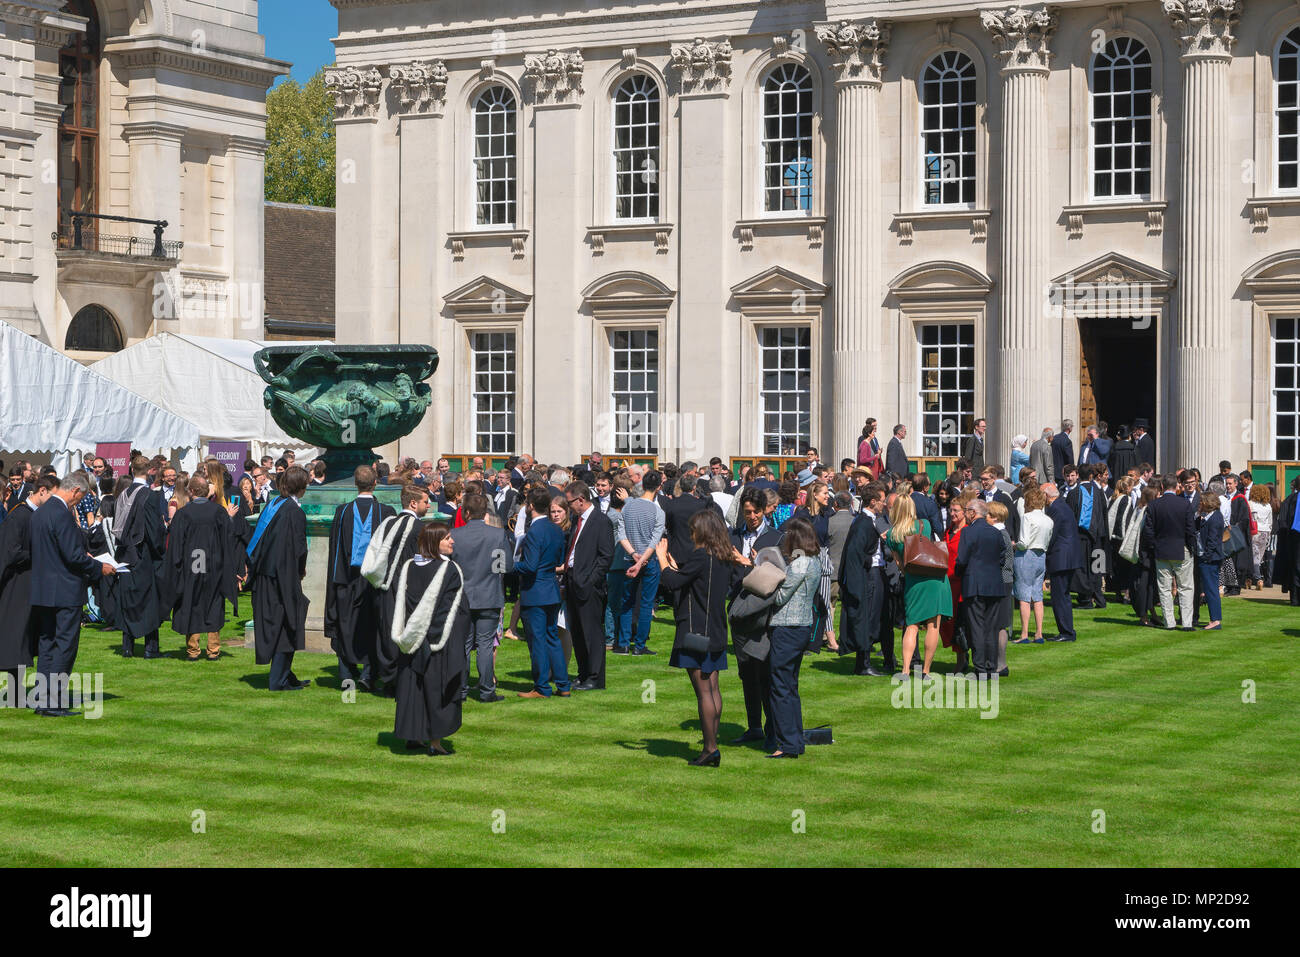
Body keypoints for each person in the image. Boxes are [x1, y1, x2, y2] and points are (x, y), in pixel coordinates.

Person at [29, 472, 116, 715]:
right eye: (79, 499)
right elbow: (73, 556)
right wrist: (100, 568)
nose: (77, 504)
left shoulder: (40, 513)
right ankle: (53, 702)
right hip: (64, 590)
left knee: (47, 644)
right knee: (65, 646)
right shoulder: (60, 513)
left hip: (44, 590)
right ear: (75, 491)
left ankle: (43, 700)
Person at [655, 509, 737, 766]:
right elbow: (694, 582)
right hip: (715, 628)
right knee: (712, 688)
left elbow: (671, 583)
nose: (690, 535)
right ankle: (711, 745)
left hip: (696, 630)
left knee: (704, 692)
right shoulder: (722, 556)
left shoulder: (701, 556)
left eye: (692, 530)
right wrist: (677, 568)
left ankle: (710, 749)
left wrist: (661, 560)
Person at [388, 523, 468, 755]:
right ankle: (434, 742)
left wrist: (413, 634)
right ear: (434, 542)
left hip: (410, 639)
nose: (452, 541)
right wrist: (436, 637)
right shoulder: (449, 569)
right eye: (447, 538)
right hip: (437, 640)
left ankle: (413, 737)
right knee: (436, 690)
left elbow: (401, 601)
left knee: (413, 688)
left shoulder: (409, 566)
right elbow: (448, 609)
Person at [749, 516, 822, 759]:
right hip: (799, 627)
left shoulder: (801, 564)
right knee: (789, 686)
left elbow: (779, 597)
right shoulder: (812, 561)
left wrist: (764, 572)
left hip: (788, 627)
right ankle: (794, 739)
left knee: (780, 686)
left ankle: (787, 743)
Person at [324, 466, 395, 692]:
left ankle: (345, 672)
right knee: (372, 624)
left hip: (346, 579)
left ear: (356, 484)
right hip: (375, 582)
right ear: (375, 483)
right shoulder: (387, 512)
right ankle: (368, 673)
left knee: (346, 623)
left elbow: (334, 549)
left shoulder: (342, 512)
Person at [247, 466, 311, 692]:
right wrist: (301, 570)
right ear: (301, 487)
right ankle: (278, 680)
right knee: (288, 623)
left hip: (265, 575)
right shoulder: (295, 512)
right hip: (282, 577)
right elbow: (300, 548)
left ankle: (286, 674)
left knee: (278, 623)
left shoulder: (273, 504)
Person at [447, 492, 512, 704]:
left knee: (464, 645)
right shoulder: (496, 535)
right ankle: (486, 690)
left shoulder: (454, 535)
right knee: (485, 645)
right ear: (485, 513)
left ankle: (462, 690)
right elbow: (504, 566)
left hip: (463, 596)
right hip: (488, 594)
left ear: (466, 512)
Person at [162, 475, 234, 662]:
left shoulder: (183, 514)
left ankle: (193, 650)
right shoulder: (218, 512)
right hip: (214, 568)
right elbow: (228, 542)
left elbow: (175, 546)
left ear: (191, 491)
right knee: (213, 604)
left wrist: (175, 568)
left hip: (191, 568)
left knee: (191, 604)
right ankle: (213, 650)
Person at [0, 475, 56, 699]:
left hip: (27, 583)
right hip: (16, 585)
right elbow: (12, 553)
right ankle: (15, 692)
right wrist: (39, 553)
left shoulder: (32, 515)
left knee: (22, 638)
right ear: (41, 491)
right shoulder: (20, 515)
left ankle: (16, 691)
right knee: (16, 637)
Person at [885, 493, 951, 680]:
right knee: (933, 625)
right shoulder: (924, 525)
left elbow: (899, 564)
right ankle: (925, 671)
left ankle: (905, 670)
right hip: (935, 578)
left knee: (911, 625)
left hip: (913, 580)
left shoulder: (892, 534)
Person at [515, 487, 570, 699]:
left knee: (538, 640)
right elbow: (557, 561)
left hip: (536, 591)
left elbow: (529, 566)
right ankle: (563, 685)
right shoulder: (556, 529)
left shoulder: (535, 531)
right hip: (550, 589)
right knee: (551, 638)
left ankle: (542, 687)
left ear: (530, 506)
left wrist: (510, 567)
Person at [561, 481, 614, 691]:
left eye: (570, 502)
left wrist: (590, 580)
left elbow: (606, 555)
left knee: (591, 633)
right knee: (578, 632)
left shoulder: (601, 521)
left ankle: (595, 676)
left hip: (589, 585)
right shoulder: (577, 520)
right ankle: (583, 673)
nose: (569, 507)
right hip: (574, 580)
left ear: (580, 500)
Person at [113, 456, 167, 659]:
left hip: (125, 553)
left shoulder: (122, 494)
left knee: (128, 599)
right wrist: (161, 549)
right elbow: (155, 531)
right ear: (150, 470)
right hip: (144, 554)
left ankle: (127, 647)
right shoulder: (149, 496)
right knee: (149, 600)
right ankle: (150, 648)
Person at [837, 484, 891, 676]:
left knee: (871, 618)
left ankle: (864, 662)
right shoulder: (864, 523)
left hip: (871, 574)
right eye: (882, 500)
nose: (884, 504)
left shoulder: (866, 522)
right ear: (873, 501)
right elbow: (855, 553)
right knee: (868, 618)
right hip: (869, 576)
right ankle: (864, 663)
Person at [956, 499, 1009, 679]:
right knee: (991, 627)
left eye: (966, 511)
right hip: (994, 584)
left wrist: (959, 573)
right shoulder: (996, 533)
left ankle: (980, 667)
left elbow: (961, 559)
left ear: (972, 512)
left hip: (975, 584)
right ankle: (990, 665)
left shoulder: (967, 532)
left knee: (977, 627)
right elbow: (1003, 557)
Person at [616, 469, 666, 656]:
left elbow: (621, 534)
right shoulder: (658, 512)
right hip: (647, 559)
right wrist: (641, 558)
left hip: (631, 557)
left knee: (627, 600)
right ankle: (639, 645)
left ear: (642, 484)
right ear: (659, 487)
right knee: (646, 603)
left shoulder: (628, 506)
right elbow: (654, 541)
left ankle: (623, 643)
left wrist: (634, 555)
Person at [1142, 473, 1198, 630]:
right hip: (1182, 549)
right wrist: (1191, 547)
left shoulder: (1153, 505)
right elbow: (1190, 530)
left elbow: (1148, 532)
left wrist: (1155, 546)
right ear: (1177, 486)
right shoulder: (1184, 504)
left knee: (1164, 588)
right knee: (1185, 587)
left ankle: (1169, 622)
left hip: (1162, 550)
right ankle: (1187, 623)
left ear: (1161, 487)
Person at [1013, 486, 1052, 644]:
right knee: (1037, 596)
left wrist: (1014, 545)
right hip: (1041, 556)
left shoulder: (1027, 517)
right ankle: (1039, 633)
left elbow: (1023, 542)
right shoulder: (1048, 520)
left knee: (1024, 596)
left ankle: (1024, 634)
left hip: (1026, 555)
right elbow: (1048, 541)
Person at [1043, 483, 1081, 643]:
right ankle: (1067, 630)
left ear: (1046, 495)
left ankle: (1066, 631)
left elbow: (1051, 534)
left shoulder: (1056, 509)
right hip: (1067, 556)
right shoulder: (1062, 506)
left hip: (1061, 557)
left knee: (1059, 596)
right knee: (1062, 595)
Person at [1194, 493, 1225, 631]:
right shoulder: (1207, 516)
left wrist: (1206, 557)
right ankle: (1214, 619)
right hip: (1206, 557)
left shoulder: (1216, 517)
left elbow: (1212, 541)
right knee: (1209, 589)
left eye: (1202, 501)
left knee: (1211, 589)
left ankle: (1215, 620)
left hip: (1210, 559)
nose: (1199, 503)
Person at [1249, 483, 1273, 591]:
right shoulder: (1268, 505)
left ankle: (1257, 579)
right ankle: (1252, 578)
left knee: (1253, 556)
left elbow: (1251, 519)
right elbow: (1270, 522)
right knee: (1259, 556)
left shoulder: (1251, 504)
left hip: (1254, 531)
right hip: (1265, 532)